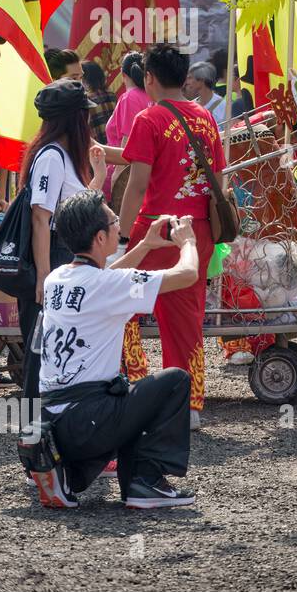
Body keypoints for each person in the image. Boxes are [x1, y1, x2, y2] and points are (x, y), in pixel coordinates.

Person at [30, 193, 200, 510]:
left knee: (128, 392)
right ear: (99, 236)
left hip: (56, 425)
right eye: (114, 222)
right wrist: (188, 242)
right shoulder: (107, 286)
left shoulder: (57, 278)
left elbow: (106, 281)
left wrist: (146, 245)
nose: (118, 225)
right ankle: (144, 481)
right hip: (90, 423)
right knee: (174, 381)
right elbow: (187, 274)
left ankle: (59, 467)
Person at [118, 45, 227, 428]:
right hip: (195, 232)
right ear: (184, 78)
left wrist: (120, 233)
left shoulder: (148, 119)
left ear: (148, 77)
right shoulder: (206, 119)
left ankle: (134, 386)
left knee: (119, 307)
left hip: (155, 229)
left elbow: (137, 185)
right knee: (186, 319)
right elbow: (219, 179)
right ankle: (189, 404)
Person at [18, 80, 113, 403]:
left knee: (60, 343)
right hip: (53, 254)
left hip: (61, 252)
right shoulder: (52, 157)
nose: (87, 122)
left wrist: (98, 175)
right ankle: (37, 429)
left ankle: (54, 422)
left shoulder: (61, 155)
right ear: (73, 119)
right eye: (83, 116)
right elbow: (41, 218)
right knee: (43, 345)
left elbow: (76, 208)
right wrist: (44, 276)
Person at [105, 52, 152, 209]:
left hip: (127, 174)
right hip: (147, 171)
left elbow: (127, 140)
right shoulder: (151, 96)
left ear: (123, 74)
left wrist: (117, 176)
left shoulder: (129, 98)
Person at [81, 61, 116, 144]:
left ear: (85, 79)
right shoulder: (112, 95)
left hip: (97, 149)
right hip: (116, 145)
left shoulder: (85, 100)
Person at [184, 61, 227, 126]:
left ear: (201, 80)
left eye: (190, 78)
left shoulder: (223, 106)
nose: (187, 82)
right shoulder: (189, 106)